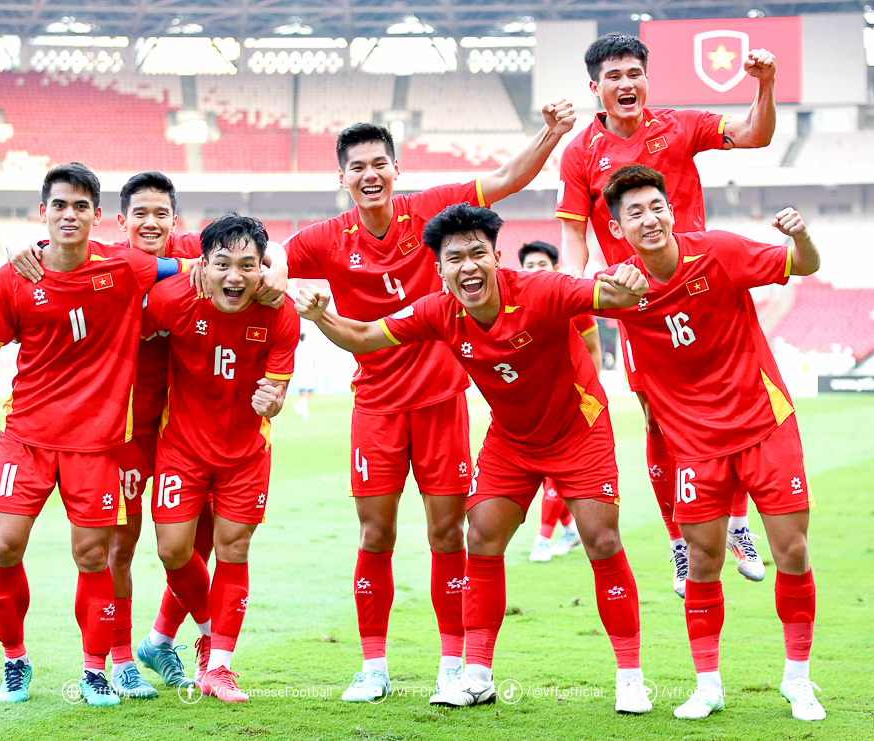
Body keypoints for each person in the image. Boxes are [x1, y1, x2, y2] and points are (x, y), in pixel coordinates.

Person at [258, 112, 579, 702]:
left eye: (379, 163)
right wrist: (279, 271)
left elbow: (506, 178)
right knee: (375, 532)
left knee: (447, 533)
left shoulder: (429, 209)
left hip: (440, 400)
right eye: (358, 167)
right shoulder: (328, 238)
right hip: (376, 405)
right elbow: (270, 257)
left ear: (396, 169)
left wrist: (553, 134)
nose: (370, 174)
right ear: (342, 178)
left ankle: (452, 663)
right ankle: (373, 667)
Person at [297, 203, 654, 713]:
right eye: (455, 258)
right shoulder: (438, 311)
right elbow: (364, 337)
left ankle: (630, 678)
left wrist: (628, 279)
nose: (468, 266)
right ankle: (478, 675)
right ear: (439, 270)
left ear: (497, 257)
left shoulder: (541, 289)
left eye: (478, 253)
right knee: (482, 538)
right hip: (512, 439)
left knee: (601, 540)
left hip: (579, 431)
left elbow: (612, 295)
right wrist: (320, 316)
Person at [0, 163, 188, 707]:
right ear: (44, 212)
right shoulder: (15, 276)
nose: (69, 214)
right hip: (27, 435)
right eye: (60, 205)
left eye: (81, 206)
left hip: (96, 445)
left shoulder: (126, 266)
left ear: (97, 216)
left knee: (93, 556)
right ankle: (15, 659)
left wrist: (269, 266)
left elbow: (196, 266)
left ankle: (94, 671)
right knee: (5, 545)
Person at [596, 165, 824, 721]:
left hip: (764, 423)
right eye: (635, 213)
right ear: (618, 228)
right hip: (695, 444)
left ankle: (798, 680)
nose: (649, 219)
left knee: (792, 551)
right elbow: (553, 300)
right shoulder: (617, 288)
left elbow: (804, 265)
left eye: (656, 207)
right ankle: (708, 685)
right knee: (701, 560)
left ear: (671, 210)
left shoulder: (719, 250)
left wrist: (800, 236)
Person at [556, 33, 778, 595]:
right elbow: (573, 235)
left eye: (634, 73)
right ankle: (680, 542)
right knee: (658, 419)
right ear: (595, 88)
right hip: (641, 306)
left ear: (646, 79)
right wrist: (574, 288)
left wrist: (765, 84)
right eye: (614, 76)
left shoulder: (681, 125)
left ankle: (736, 524)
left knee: (735, 404)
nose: (626, 83)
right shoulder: (581, 152)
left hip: (708, 290)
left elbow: (755, 133)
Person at [6, 172, 214, 694]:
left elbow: (256, 250)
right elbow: (58, 252)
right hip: (123, 432)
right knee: (120, 546)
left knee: (194, 542)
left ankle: (162, 638)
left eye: (161, 214)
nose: (151, 223)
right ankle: (120, 660)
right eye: (140, 214)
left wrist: (274, 266)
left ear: (174, 220)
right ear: (121, 221)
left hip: (186, 427)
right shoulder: (109, 263)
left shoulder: (192, 253)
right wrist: (25, 248)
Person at [142, 214, 299, 702]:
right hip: (181, 448)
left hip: (245, 453)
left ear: (262, 268)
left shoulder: (280, 311)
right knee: (173, 550)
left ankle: (219, 666)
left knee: (234, 549)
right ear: (203, 266)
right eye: (223, 264)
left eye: (247, 265)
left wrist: (273, 400)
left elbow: (277, 388)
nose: (235, 276)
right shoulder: (173, 299)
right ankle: (206, 631)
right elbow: (130, 328)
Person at [517, 241, 599, 563]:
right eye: (529, 266)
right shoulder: (512, 306)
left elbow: (593, 348)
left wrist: (589, 395)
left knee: (556, 472)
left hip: (573, 401)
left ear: (555, 268)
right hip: (533, 405)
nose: (535, 271)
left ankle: (542, 539)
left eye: (542, 265)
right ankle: (570, 530)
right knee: (544, 471)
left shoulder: (572, 303)